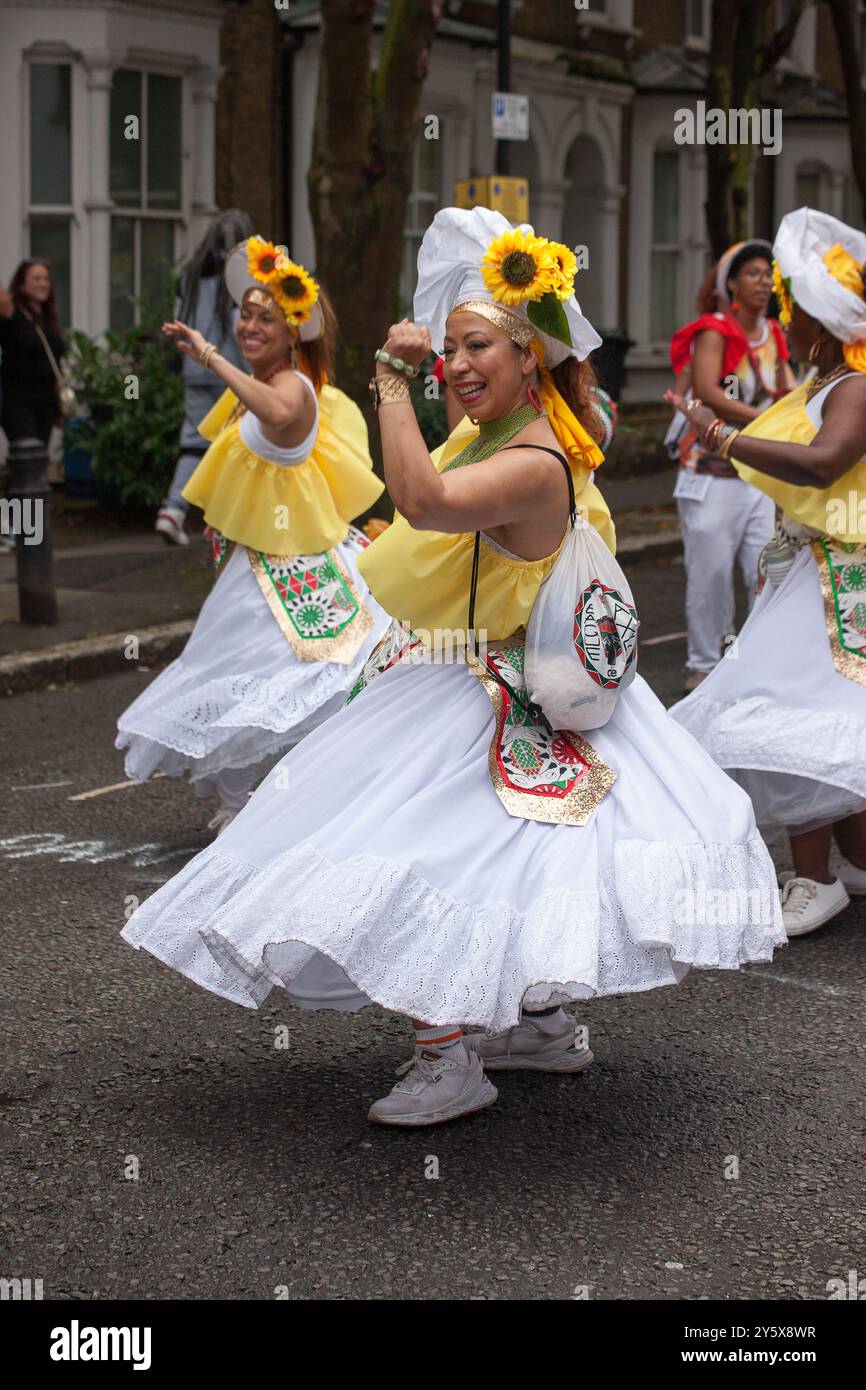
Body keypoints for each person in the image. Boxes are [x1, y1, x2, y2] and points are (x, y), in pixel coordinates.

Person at [121, 208, 784, 1127]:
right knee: (509, 865)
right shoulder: (510, 432)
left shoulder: (534, 459)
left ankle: (450, 1059)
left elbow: (424, 504)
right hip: (476, 677)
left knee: (416, 858)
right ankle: (540, 1029)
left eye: (478, 347)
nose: (457, 366)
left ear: (527, 356)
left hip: (496, 693)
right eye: (448, 351)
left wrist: (391, 381)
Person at [116, 236, 389, 831]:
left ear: (294, 335)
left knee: (286, 685)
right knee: (241, 683)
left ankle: (280, 803)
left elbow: (279, 412)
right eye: (246, 313)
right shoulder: (259, 385)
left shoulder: (292, 385)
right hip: (255, 565)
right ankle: (253, 804)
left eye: (268, 318)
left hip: (295, 569)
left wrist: (210, 356)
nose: (251, 325)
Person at [669, 208, 866, 938]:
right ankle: (851, 863)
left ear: (825, 319)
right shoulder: (824, 381)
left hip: (840, 579)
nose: (786, 316)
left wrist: (722, 435)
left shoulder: (853, 387)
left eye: (797, 308)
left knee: (789, 715)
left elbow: (823, 463)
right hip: (813, 570)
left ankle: (815, 877)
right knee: (828, 719)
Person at [667, 241, 796, 691]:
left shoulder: (775, 334)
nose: (764, 281)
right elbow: (708, 390)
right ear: (732, 284)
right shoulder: (714, 331)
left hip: (757, 474)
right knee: (712, 574)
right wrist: (769, 420)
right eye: (754, 273)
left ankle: (758, 661)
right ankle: (704, 664)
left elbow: (789, 389)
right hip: (711, 476)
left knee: (767, 569)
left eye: (768, 274)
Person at [155, 210, 254, 545]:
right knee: (245, 444)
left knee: (195, 444)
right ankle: (231, 521)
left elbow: (178, 318)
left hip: (196, 366)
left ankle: (173, 510)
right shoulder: (243, 274)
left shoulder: (190, 275)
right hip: (234, 369)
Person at [0, 259, 65, 516]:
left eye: (46, 279)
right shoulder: (12, 313)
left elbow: (55, 366)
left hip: (45, 403)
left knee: (37, 465)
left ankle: (30, 530)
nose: (42, 283)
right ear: (22, 283)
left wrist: (60, 406)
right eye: (36, 278)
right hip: (17, 402)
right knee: (23, 462)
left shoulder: (48, 321)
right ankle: (9, 526)